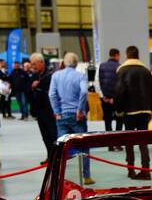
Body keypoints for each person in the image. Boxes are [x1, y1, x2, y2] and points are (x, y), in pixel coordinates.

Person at [113, 45, 152, 180]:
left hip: (129, 112)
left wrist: (119, 110)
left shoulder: (122, 71)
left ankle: (131, 170)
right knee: (143, 142)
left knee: (129, 142)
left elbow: (119, 92)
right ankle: (146, 170)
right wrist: (151, 109)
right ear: (138, 55)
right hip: (145, 111)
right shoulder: (146, 71)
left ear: (127, 55)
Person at [49, 52, 92, 182]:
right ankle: (86, 176)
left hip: (62, 115)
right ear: (76, 63)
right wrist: (80, 109)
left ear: (64, 62)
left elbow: (52, 94)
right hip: (77, 116)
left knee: (62, 148)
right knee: (83, 146)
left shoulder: (56, 75)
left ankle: (61, 178)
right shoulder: (80, 76)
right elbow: (84, 91)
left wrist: (57, 111)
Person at [27, 52, 57, 160]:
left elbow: (51, 91)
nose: (33, 66)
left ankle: (55, 157)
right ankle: (49, 156)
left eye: (34, 64)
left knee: (52, 134)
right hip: (38, 110)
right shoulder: (34, 75)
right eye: (32, 64)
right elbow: (28, 89)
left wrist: (38, 85)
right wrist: (32, 87)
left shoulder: (50, 75)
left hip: (49, 110)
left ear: (41, 63)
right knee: (44, 136)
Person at [97, 48, 120, 133]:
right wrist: (114, 98)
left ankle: (109, 138)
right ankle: (118, 138)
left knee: (107, 120)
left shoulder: (102, 66)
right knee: (119, 120)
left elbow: (100, 82)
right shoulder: (119, 66)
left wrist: (104, 96)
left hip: (105, 98)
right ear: (117, 55)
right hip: (116, 99)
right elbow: (119, 84)